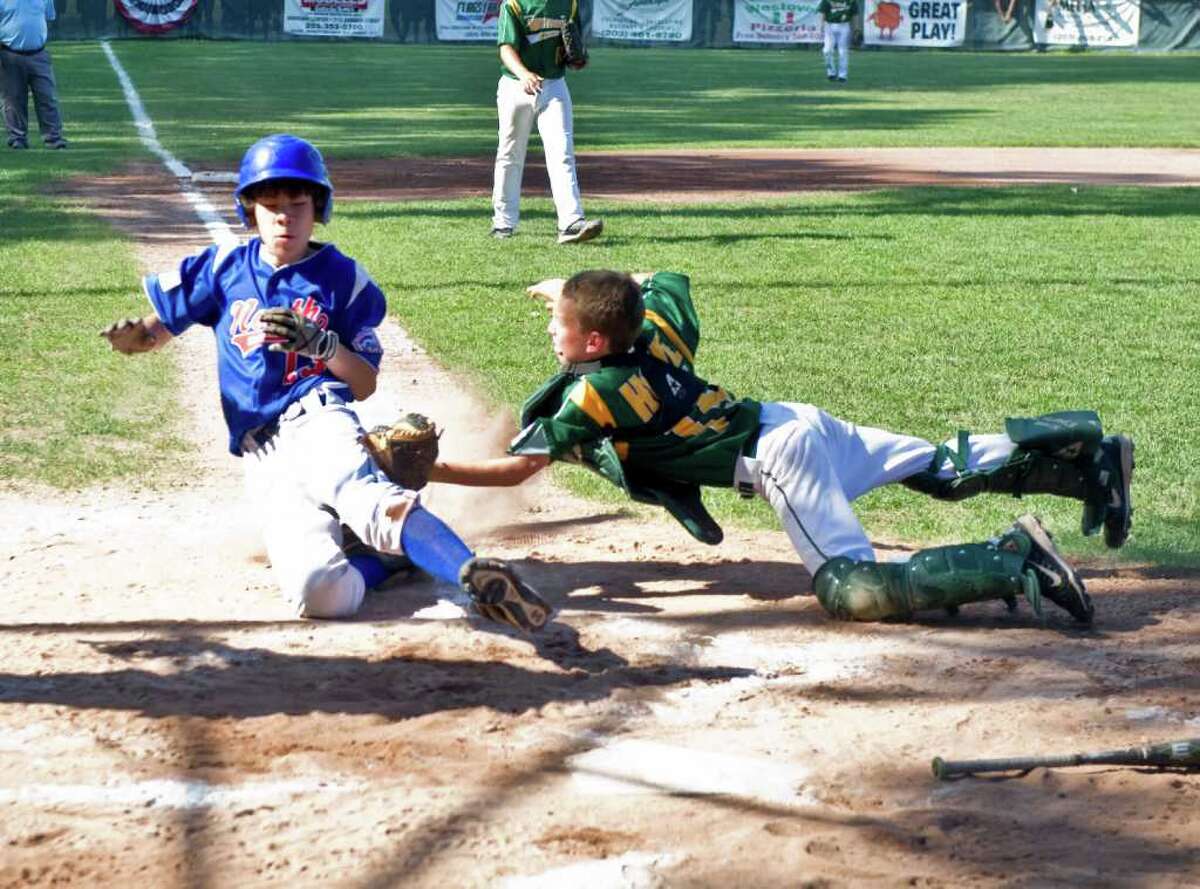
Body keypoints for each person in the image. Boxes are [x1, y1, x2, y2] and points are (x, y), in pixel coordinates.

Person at [426, 270, 1136, 625]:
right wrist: (585, 290)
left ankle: (1013, 559)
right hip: (797, 418)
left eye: (561, 322)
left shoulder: (592, 394)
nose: (551, 329)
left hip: (779, 460)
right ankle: (1088, 460)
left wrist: (427, 465)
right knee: (940, 468)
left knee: (852, 588)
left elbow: (517, 467)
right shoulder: (653, 334)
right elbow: (662, 284)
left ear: (593, 342)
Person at [100, 134, 550, 633]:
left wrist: (323, 346)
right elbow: (153, 334)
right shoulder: (224, 265)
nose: (284, 218)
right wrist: (132, 340)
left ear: (319, 207)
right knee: (321, 594)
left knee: (366, 497)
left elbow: (364, 384)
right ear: (249, 209)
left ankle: (473, 578)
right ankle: (390, 561)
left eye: (297, 204)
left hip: (317, 417)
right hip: (261, 453)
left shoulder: (341, 277)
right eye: (270, 207)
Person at [491, 0, 603, 244]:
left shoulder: (569, 3)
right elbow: (506, 48)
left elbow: (572, 47)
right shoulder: (514, 4)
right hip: (515, 85)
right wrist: (524, 74)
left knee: (562, 152)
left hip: (553, 85)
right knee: (510, 154)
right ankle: (503, 221)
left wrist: (576, 59)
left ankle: (571, 222)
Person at [0, 0, 67, 149]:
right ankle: (17, 138)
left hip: (39, 54)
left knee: (47, 96)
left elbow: (48, 17)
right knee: (13, 99)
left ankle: (53, 138)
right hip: (10, 54)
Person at [818, 0, 857, 84]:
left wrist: (855, 29)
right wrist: (821, 25)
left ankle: (842, 76)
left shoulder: (851, 1)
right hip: (829, 25)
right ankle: (831, 72)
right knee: (827, 50)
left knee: (843, 51)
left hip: (844, 25)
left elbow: (854, 15)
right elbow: (823, 13)